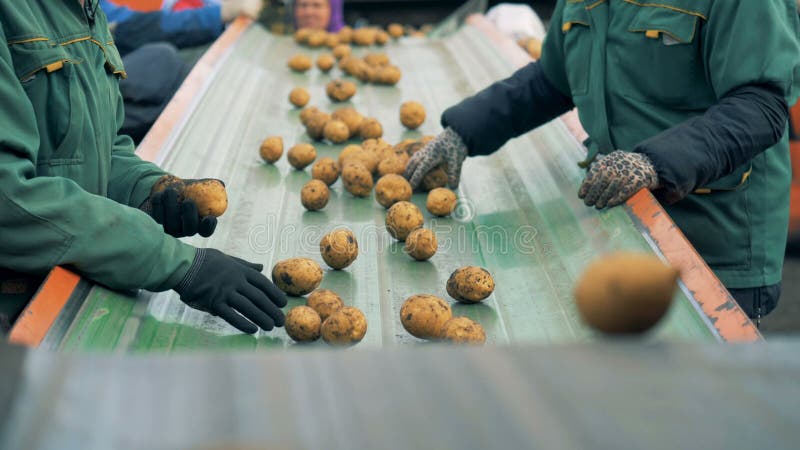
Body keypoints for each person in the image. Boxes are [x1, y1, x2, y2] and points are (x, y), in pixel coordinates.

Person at [406, 0, 800, 324]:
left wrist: (653, 163)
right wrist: (465, 131)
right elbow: (552, 80)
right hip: (621, 223)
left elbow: (759, 107)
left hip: (712, 244)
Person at [0, 0, 287, 334]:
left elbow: (99, 151)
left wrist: (151, 191)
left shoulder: (85, 10)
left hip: (62, 282)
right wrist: (177, 264)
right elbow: (8, 200)